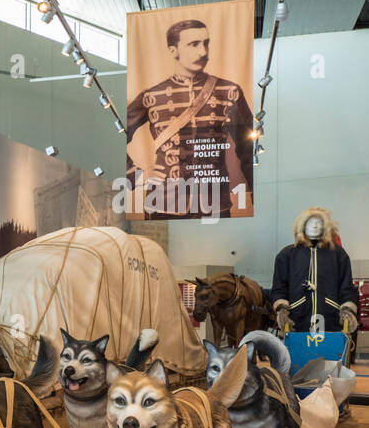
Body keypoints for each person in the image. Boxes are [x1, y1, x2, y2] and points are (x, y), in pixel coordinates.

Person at [126, 18, 253, 214]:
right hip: (164, 202)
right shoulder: (152, 96)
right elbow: (116, 134)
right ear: (173, 50)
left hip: (214, 201)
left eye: (205, 44)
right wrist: (137, 176)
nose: (203, 52)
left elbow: (249, 147)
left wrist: (256, 194)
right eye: (193, 44)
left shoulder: (229, 91)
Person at [271, 206, 359, 340]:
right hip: (296, 321)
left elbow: (346, 288)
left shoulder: (338, 254)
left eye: (319, 222)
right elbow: (279, 288)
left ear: (326, 227)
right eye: (310, 222)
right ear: (302, 226)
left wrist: (347, 310)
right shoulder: (287, 255)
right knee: (298, 353)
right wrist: (282, 310)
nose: (315, 225)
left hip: (331, 320)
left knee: (331, 353)